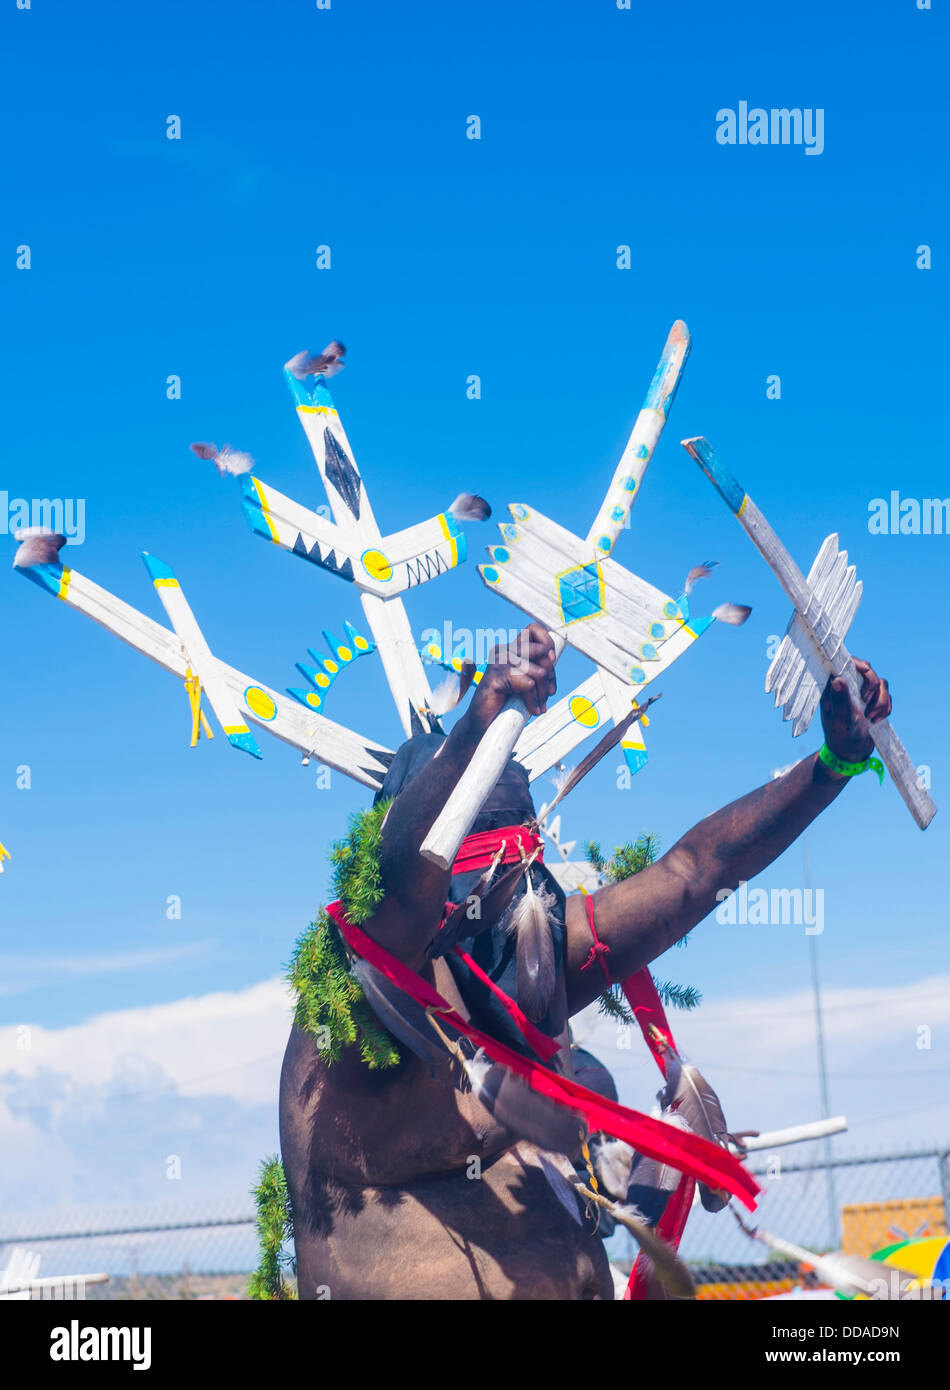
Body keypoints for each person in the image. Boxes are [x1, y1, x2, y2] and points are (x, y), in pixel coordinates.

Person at [279, 622, 891, 1300]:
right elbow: (399, 887)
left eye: (523, 875)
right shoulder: (357, 1004)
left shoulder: (526, 954)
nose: (512, 906)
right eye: (478, 877)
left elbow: (692, 873)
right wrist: (480, 722)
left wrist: (831, 765)